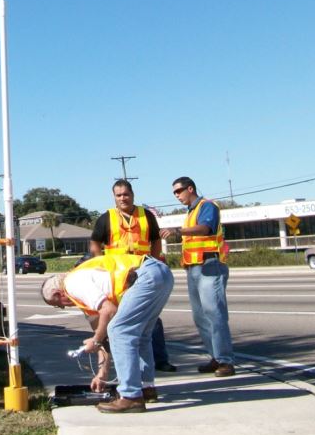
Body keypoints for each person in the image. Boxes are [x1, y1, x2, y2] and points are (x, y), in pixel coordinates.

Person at [42, 251, 174, 413]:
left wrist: (95, 340)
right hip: (160, 273)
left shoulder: (73, 284)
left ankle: (131, 397)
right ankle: (147, 389)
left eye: (58, 304)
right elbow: (103, 336)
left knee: (119, 331)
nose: (63, 308)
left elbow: (109, 312)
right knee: (141, 336)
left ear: (58, 293)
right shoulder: (84, 297)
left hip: (146, 275)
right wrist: (102, 374)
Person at [90, 178, 177, 372]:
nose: (123, 198)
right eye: (119, 195)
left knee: (151, 317)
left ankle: (160, 360)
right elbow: (95, 242)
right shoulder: (107, 217)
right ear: (114, 197)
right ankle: (124, 363)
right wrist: (99, 263)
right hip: (118, 277)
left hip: (144, 273)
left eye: (126, 194)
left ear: (133, 195)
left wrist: (154, 261)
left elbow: (155, 240)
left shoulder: (146, 215)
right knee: (121, 319)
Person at [161, 176, 235, 377]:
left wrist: (178, 231)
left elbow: (205, 229)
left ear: (190, 188)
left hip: (210, 266)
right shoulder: (191, 212)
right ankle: (215, 356)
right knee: (200, 316)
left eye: (179, 191)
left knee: (215, 314)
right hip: (194, 269)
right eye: (174, 192)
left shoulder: (207, 206)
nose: (177, 195)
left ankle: (225, 361)